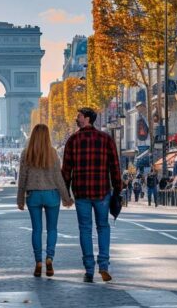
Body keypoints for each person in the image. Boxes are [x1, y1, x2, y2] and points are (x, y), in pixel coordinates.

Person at [62, 107, 121, 283]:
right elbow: (115, 167)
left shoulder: (72, 140)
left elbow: (66, 170)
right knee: (103, 227)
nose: (76, 118)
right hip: (102, 192)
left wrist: (65, 193)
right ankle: (103, 265)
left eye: (78, 116)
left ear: (87, 118)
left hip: (81, 193)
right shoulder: (106, 139)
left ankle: (89, 269)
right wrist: (117, 190)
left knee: (85, 230)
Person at [18, 124, 73, 278]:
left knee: (36, 230)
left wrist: (20, 198)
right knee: (52, 229)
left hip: (33, 195)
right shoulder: (53, 153)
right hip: (51, 195)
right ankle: (49, 257)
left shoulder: (26, 153)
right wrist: (66, 198)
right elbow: (58, 178)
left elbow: (22, 178)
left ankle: (38, 262)